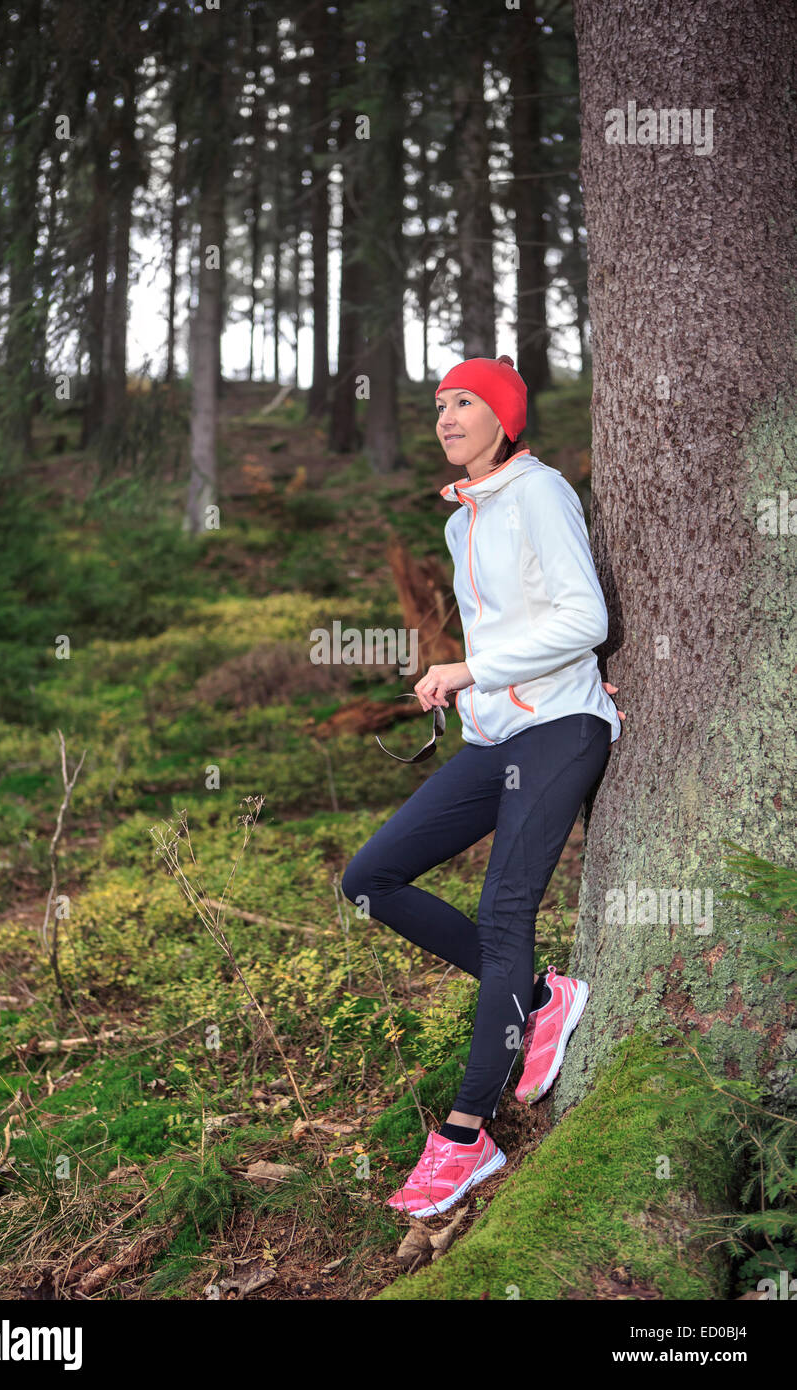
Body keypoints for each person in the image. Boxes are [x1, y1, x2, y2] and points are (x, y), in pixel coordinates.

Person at [340, 354, 625, 1220]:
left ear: (504, 416)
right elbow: (526, 623)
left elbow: (586, 617)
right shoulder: (465, 519)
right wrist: (477, 689)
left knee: (505, 913)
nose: (446, 416)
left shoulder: (537, 492)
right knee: (369, 879)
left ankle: (466, 1136)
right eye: (437, 405)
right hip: (497, 735)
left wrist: (469, 666)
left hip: (560, 729)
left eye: (464, 402)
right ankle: (540, 998)